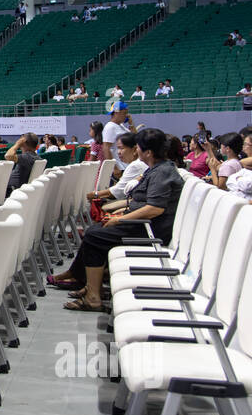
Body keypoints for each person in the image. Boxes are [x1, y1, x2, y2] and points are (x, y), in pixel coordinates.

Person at [48, 129, 183, 312]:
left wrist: (121, 220)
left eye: (139, 147)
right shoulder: (158, 169)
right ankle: (87, 283)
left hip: (151, 230)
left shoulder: (162, 173)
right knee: (95, 232)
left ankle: (92, 296)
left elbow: (154, 208)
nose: (137, 150)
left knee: (95, 236)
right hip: (145, 225)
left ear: (148, 152)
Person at [87, 131, 147, 208]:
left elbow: (117, 192)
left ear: (135, 149)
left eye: (121, 148)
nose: (118, 152)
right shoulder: (137, 163)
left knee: (105, 208)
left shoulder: (135, 166)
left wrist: (95, 194)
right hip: (136, 201)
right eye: (117, 148)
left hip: (138, 203)